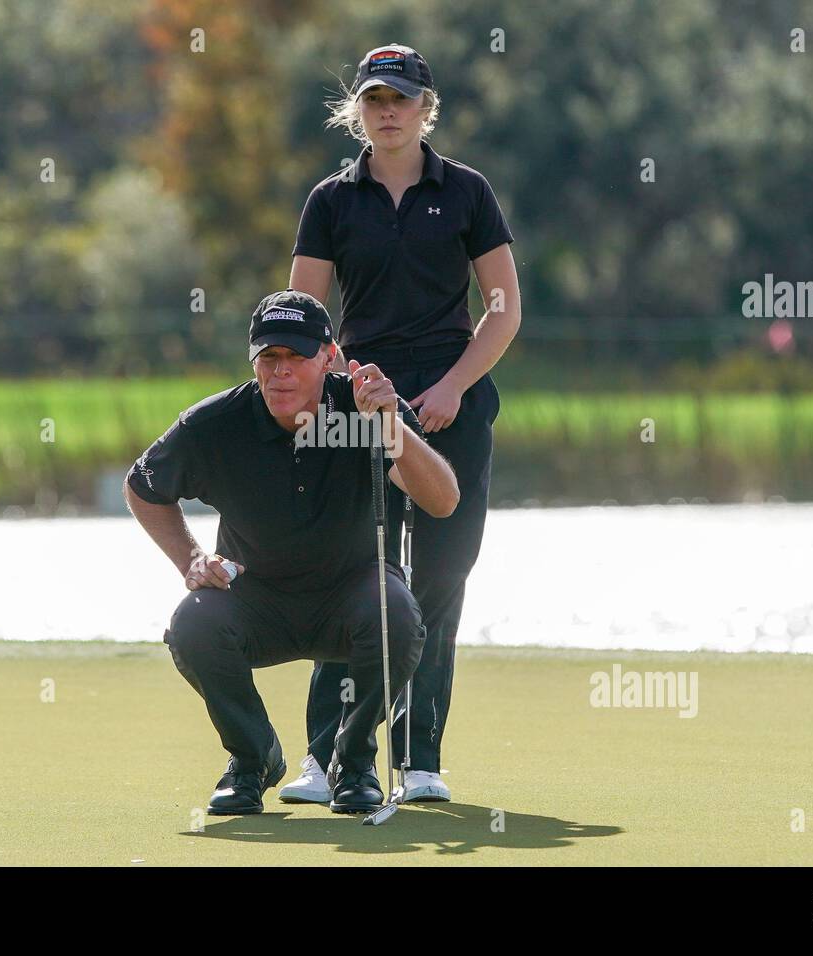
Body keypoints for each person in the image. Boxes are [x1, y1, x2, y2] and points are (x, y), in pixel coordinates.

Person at [283, 44, 521, 804]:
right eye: (375, 100)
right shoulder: (330, 201)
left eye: (401, 100)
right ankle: (324, 761)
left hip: (453, 399)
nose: (388, 112)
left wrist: (453, 386)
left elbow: (502, 309)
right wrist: (353, 384)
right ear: (357, 109)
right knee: (353, 574)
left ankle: (421, 762)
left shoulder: (468, 191)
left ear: (426, 108)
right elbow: (306, 320)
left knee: (441, 578)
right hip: (361, 398)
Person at [125, 289, 460, 815]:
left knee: (398, 614)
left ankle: (352, 763)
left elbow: (442, 500)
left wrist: (392, 424)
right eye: (269, 358)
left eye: (296, 358)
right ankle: (253, 759)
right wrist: (190, 560)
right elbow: (143, 487)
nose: (280, 372)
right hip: (256, 600)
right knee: (191, 624)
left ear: (330, 357)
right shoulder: (216, 423)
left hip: (352, 597)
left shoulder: (365, 409)